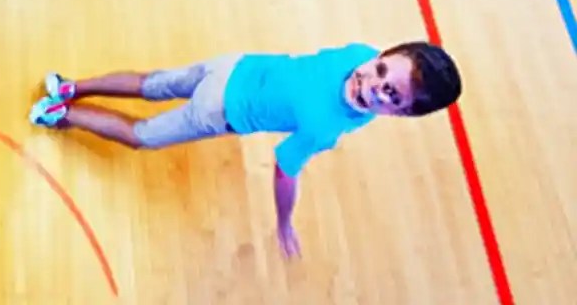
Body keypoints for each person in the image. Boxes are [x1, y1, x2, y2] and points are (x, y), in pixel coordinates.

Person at [28, 41, 462, 257]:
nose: (370, 83)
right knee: (140, 134)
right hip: (217, 109)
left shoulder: (357, 52)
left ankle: (71, 85)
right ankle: (59, 113)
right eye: (381, 69)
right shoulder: (324, 127)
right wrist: (285, 222)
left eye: (389, 92)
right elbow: (284, 170)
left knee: (149, 84)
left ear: (401, 112)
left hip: (230, 65)